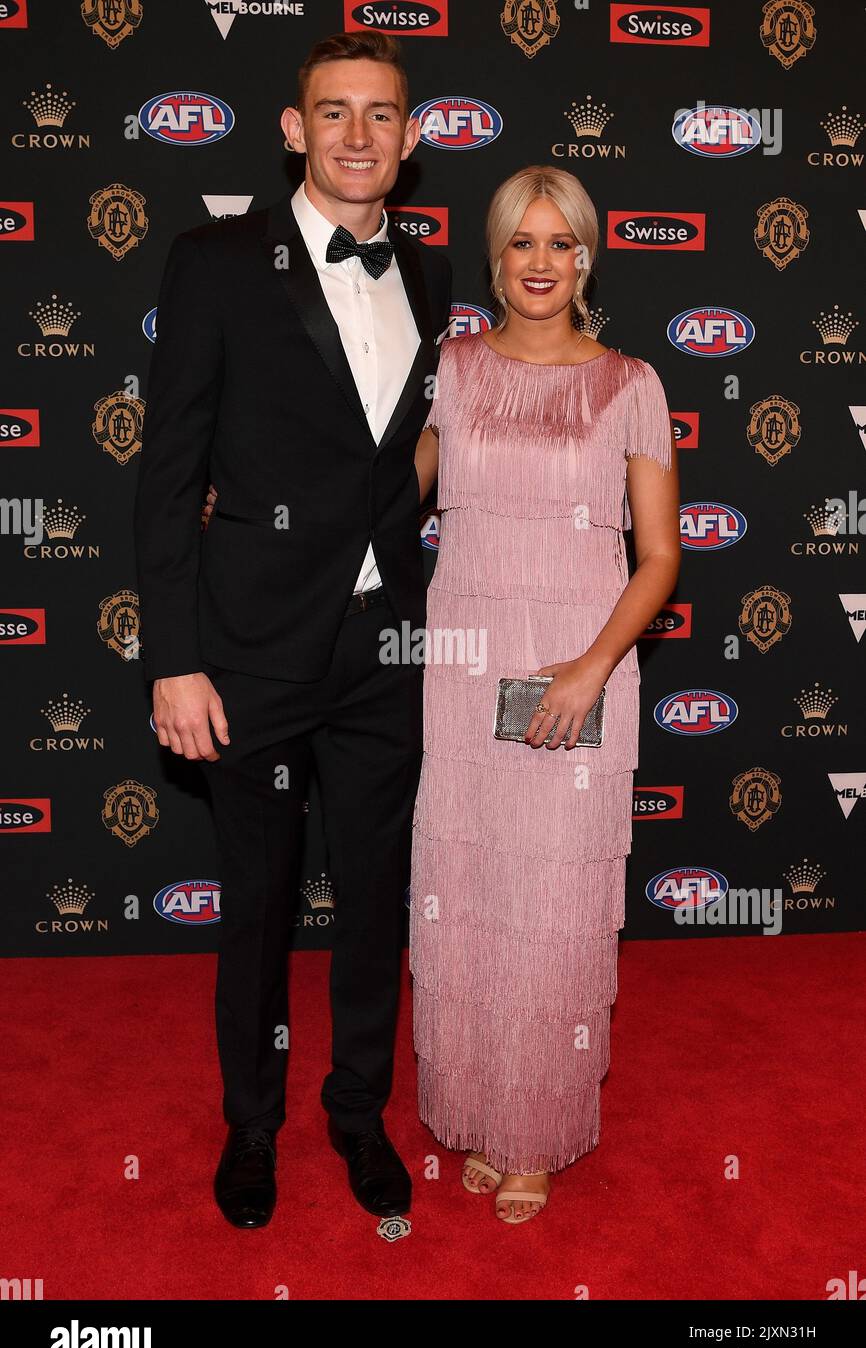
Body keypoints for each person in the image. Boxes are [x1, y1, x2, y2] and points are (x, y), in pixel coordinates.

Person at [133, 31, 452, 1227]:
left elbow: (397, 460)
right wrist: (174, 655)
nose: (358, 136)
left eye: (380, 115)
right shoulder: (214, 261)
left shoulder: (426, 276)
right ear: (291, 128)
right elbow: (167, 476)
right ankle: (252, 1128)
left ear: (411, 136)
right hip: (252, 649)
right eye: (334, 113)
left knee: (374, 900)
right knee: (258, 909)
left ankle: (358, 1111)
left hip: (383, 651)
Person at [409, 166, 681, 1224]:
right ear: (494, 257)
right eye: (520, 243)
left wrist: (588, 668)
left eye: (559, 243)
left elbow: (656, 557)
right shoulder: (453, 371)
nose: (538, 262)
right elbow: (390, 492)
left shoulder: (630, 384)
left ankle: (532, 1134)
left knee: (553, 909)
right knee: (468, 891)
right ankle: (479, 1111)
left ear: (585, 256)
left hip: (575, 661)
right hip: (463, 661)